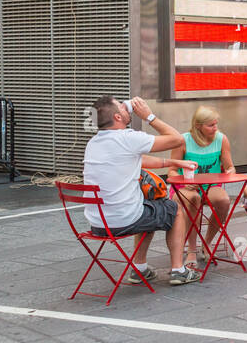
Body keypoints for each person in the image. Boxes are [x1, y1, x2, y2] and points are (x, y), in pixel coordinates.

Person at [83, 96, 202, 287]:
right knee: (174, 209)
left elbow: (135, 159)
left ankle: (140, 269)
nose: (126, 107)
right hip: (123, 220)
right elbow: (177, 140)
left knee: (150, 206)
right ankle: (179, 270)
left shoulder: (94, 143)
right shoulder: (128, 138)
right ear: (117, 117)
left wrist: (173, 163)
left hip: (98, 223)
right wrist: (149, 116)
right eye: (122, 107)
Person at [170, 105, 235, 272]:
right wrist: (183, 181)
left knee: (223, 200)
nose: (215, 128)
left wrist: (229, 172)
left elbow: (230, 167)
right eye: (211, 125)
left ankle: (206, 243)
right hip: (186, 185)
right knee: (193, 199)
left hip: (211, 185)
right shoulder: (182, 140)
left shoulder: (221, 139)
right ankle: (191, 250)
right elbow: (171, 170)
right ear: (198, 125)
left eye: (216, 124)